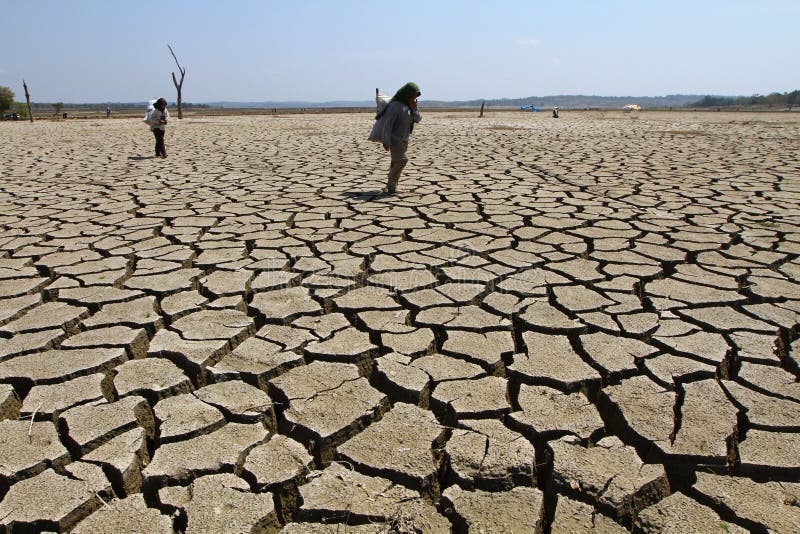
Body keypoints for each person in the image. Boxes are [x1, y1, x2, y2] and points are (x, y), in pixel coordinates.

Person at [379, 82, 422, 194]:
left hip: (405, 139)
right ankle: (392, 187)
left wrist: (414, 108)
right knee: (402, 160)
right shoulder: (395, 106)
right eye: (413, 95)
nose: (414, 98)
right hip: (395, 139)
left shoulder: (410, 105)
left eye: (416, 96)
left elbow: (418, 119)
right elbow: (387, 124)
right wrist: (386, 141)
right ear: (407, 94)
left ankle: (393, 185)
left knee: (396, 162)